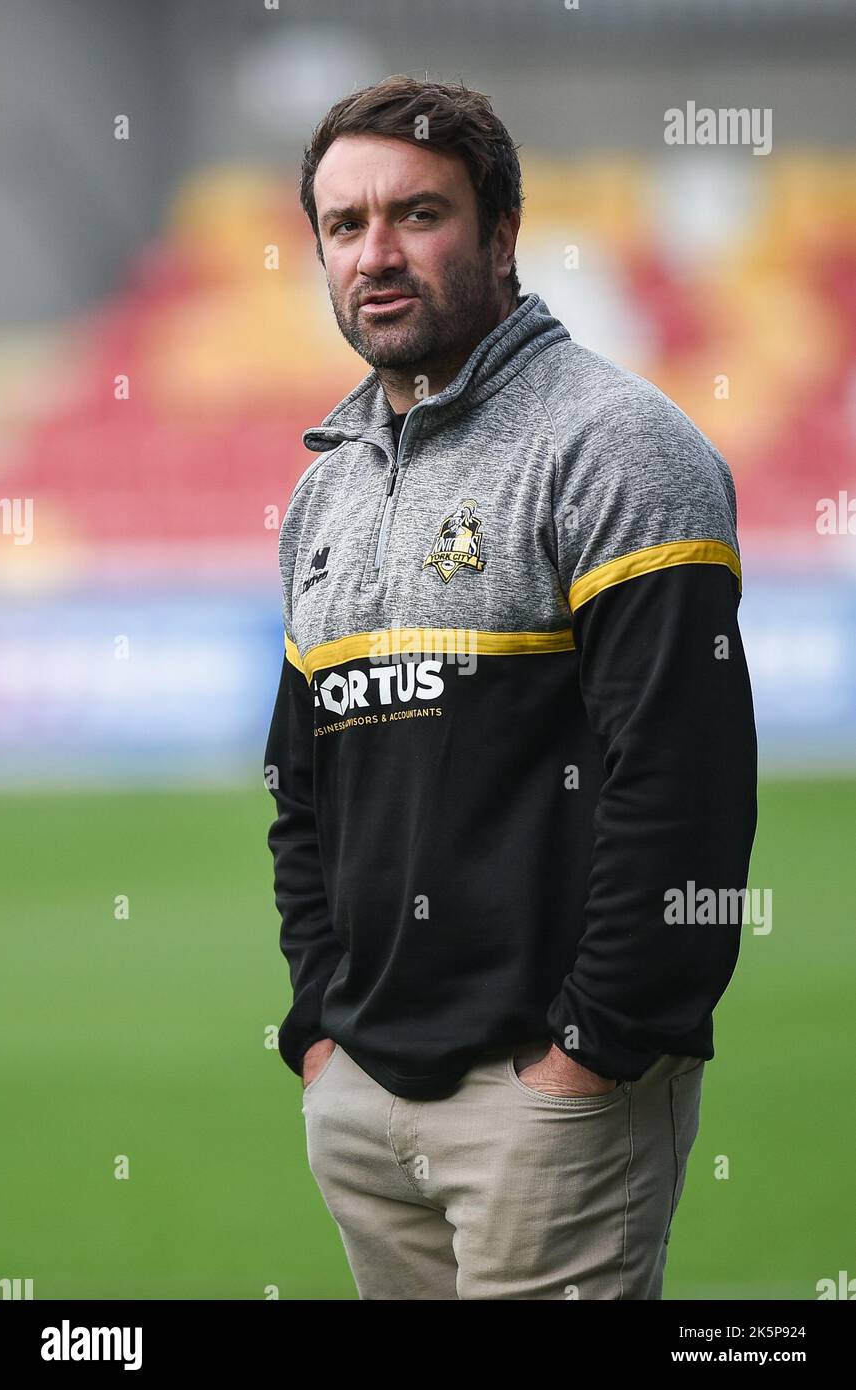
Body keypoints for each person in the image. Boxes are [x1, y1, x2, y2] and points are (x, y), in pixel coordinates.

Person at [263, 74, 758, 1300]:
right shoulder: (322, 492)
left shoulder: (615, 444)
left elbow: (685, 786)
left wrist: (594, 1050)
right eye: (343, 225)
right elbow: (300, 794)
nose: (375, 254)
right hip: (366, 1102)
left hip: (550, 1101)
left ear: (500, 233)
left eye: (416, 216)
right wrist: (321, 1031)